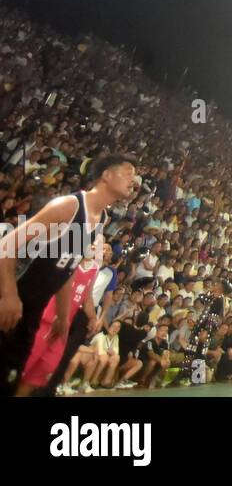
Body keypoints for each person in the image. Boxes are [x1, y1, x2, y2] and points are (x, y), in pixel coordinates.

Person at [0, 153, 137, 395]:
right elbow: (7, 244)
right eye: (128, 173)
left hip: (31, 312)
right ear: (106, 175)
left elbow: (67, 269)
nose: (133, 180)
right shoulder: (69, 206)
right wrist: (10, 295)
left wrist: (63, 318)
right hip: (12, 304)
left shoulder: (100, 219)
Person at [13, 250, 101, 396]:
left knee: (44, 369)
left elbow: (87, 297)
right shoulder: (67, 260)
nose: (94, 247)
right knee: (25, 366)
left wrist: (92, 318)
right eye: (92, 243)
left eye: (97, 243)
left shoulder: (94, 268)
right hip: (47, 320)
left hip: (64, 326)